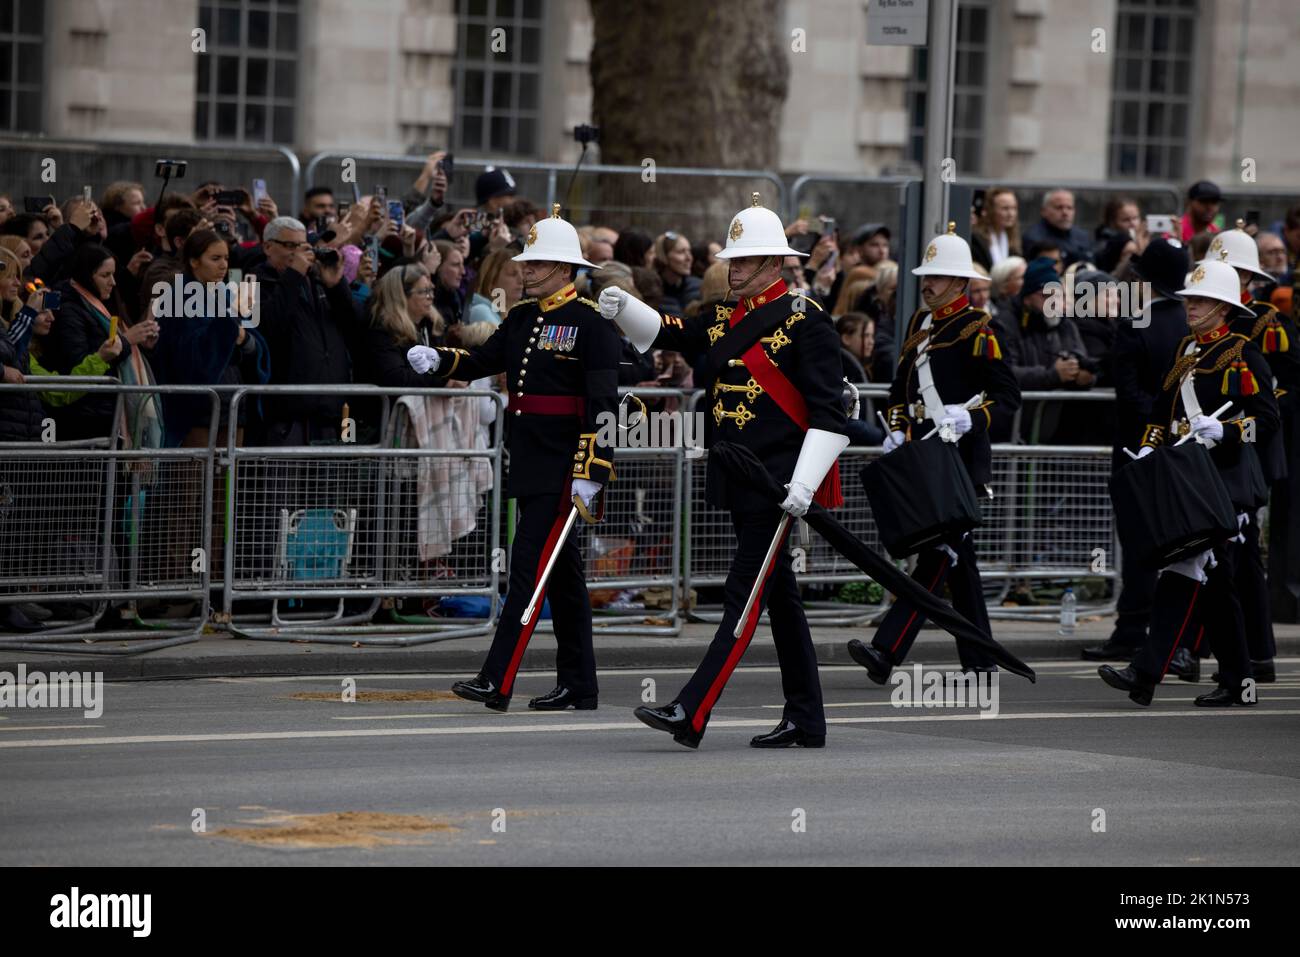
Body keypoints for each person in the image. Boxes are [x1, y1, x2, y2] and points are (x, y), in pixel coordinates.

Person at [602, 193, 848, 750]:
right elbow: (673, 334)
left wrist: (804, 484)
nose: (732, 269)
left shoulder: (808, 322)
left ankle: (692, 709)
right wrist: (626, 307)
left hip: (780, 481)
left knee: (744, 593)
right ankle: (807, 717)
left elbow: (831, 414)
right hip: (739, 474)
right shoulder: (719, 318)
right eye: (731, 260)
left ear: (774, 264)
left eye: (744, 260)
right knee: (779, 599)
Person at [406, 204, 620, 712]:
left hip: (566, 470)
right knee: (564, 580)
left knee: (527, 570)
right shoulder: (523, 317)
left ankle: (497, 679)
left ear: (566, 270)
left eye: (536, 264)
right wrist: (440, 359)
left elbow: (603, 406)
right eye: (525, 263)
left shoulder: (592, 324)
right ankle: (580, 685)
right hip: (530, 463)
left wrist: (592, 472)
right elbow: (485, 359)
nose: (524, 270)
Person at [1098, 260, 1277, 707]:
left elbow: (1268, 421)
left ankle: (1145, 672)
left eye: (1199, 301)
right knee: (1215, 586)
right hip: (1186, 481)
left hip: (1222, 483)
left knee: (1186, 570)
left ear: (1222, 307)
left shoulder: (1242, 354)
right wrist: (1148, 448)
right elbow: (1161, 415)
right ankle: (1238, 681)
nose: (1190, 307)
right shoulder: (1186, 351)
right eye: (1189, 300)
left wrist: (1231, 431)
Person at [846, 223, 1020, 682]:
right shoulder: (919, 324)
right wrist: (898, 429)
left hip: (957, 461)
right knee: (959, 563)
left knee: (940, 552)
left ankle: (888, 649)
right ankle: (981, 660)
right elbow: (900, 388)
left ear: (962, 283)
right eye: (927, 275)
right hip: (922, 457)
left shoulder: (981, 329)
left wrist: (969, 418)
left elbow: (1006, 399)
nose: (929, 283)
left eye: (939, 277)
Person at [1210, 224, 1299, 680]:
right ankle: (1239, 654)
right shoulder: (1209, 317)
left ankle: (1254, 655)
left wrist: (1242, 414)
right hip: (1216, 450)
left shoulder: (1265, 322)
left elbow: (1283, 387)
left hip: (1254, 450)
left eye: (1234, 272)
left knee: (1244, 556)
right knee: (1223, 557)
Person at [149, 229, 270, 448]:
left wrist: (245, 340)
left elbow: (251, 341)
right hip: (195, 406)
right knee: (193, 478)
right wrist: (228, 325)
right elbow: (185, 355)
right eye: (215, 259)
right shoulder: (176, 297)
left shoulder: (227, 294)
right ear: (194, 261)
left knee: (226, 479)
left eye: (226, 258)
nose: (223, 265)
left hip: (232, 400)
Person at [253, 216, 358, 445]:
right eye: (290, 246)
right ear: (268, 247)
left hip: (331, 413)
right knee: (284, 482)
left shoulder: (318, 282)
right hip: (286, 418)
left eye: (303, 247)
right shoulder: (255, 282)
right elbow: (268, 328)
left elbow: (354, 328)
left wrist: (336, 285)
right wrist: (294, 275)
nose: (298, 253)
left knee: (331, 482)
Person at [1022, 189, 1092, 266]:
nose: (1065, 212)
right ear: (1044, 211)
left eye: (1069, 208)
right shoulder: (1034, 238)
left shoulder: (1083, 236)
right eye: (1059, 207)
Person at [971, 187, 1022, 269]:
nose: (1011, 214)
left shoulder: (1013, 239)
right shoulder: (977, 240)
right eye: (1005, 208)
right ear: (990, 210)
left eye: (1014, 208)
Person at [653, 231, 700, 314]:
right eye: (681, 252)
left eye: (689, 251)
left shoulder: (699, 287)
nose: (689, 258)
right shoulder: (651, 293)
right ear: (663, 256)